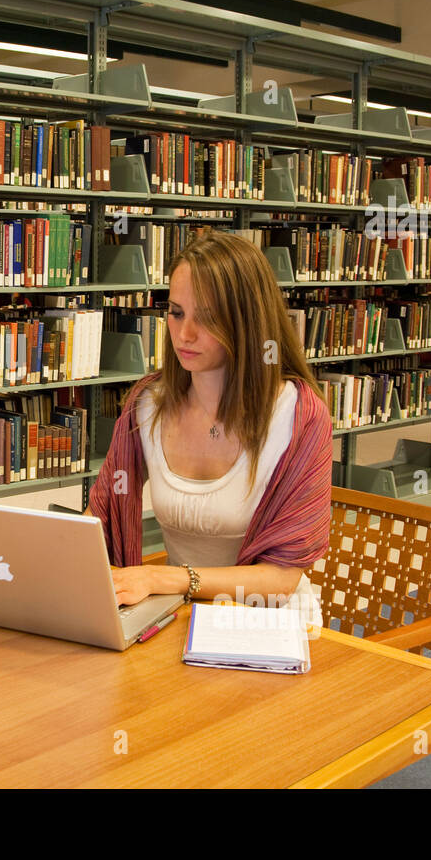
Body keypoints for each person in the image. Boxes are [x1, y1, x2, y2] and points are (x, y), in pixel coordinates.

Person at [84, 229, 332, 614]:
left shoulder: (298, 417)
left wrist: (167, 579)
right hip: (180, 614)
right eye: (176, 312)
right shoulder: (148, 404)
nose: (185, 334)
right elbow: (102, 512)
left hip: (268, 625)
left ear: (248, 321)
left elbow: (281, 579)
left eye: (209, 317)